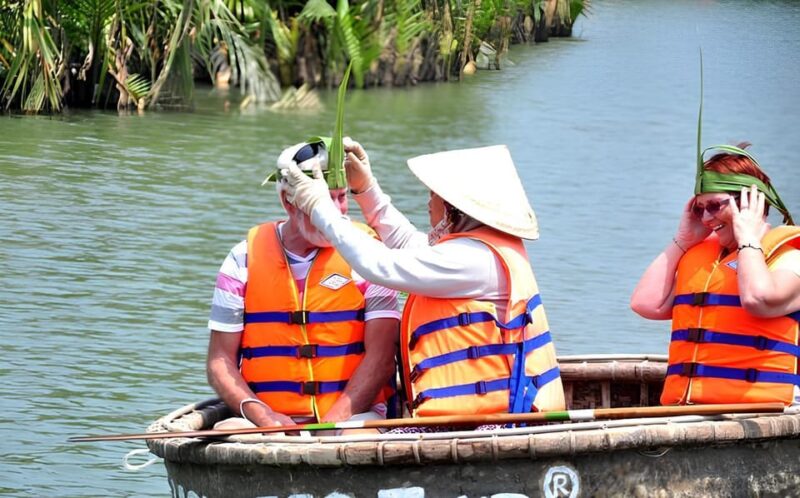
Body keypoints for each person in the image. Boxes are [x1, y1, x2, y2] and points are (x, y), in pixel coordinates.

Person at [283, 140, 565, 417]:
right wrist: (366, 189)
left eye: (434, 195)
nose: (428, 202)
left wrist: (320, 207)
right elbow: (407, 243)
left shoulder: (473, 260)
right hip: (488, 415)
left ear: (455, 207)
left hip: (496, 422)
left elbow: (378, 264)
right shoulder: (480, 249)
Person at [206, 140, 400, 433]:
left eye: (341, 197)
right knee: (225, 433)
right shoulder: (241, 259)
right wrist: (262, 415)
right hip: (269, 420)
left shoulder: (368, 254)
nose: (336, 212)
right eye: (323, 201)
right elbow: (220, 361)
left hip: (354, 417)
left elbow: (382, 359)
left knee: (350, 437)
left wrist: (329, 425)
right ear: (288, 201)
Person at [631, 143, 800, 405]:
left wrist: (747, 238)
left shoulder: (789, 258)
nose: (707, 218)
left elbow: (758, 300)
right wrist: (682, 241)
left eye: (714, 206)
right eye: (699, 209)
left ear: (748, 203)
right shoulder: (703, 260)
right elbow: (646, 304)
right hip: (689, 409)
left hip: (762, 411)